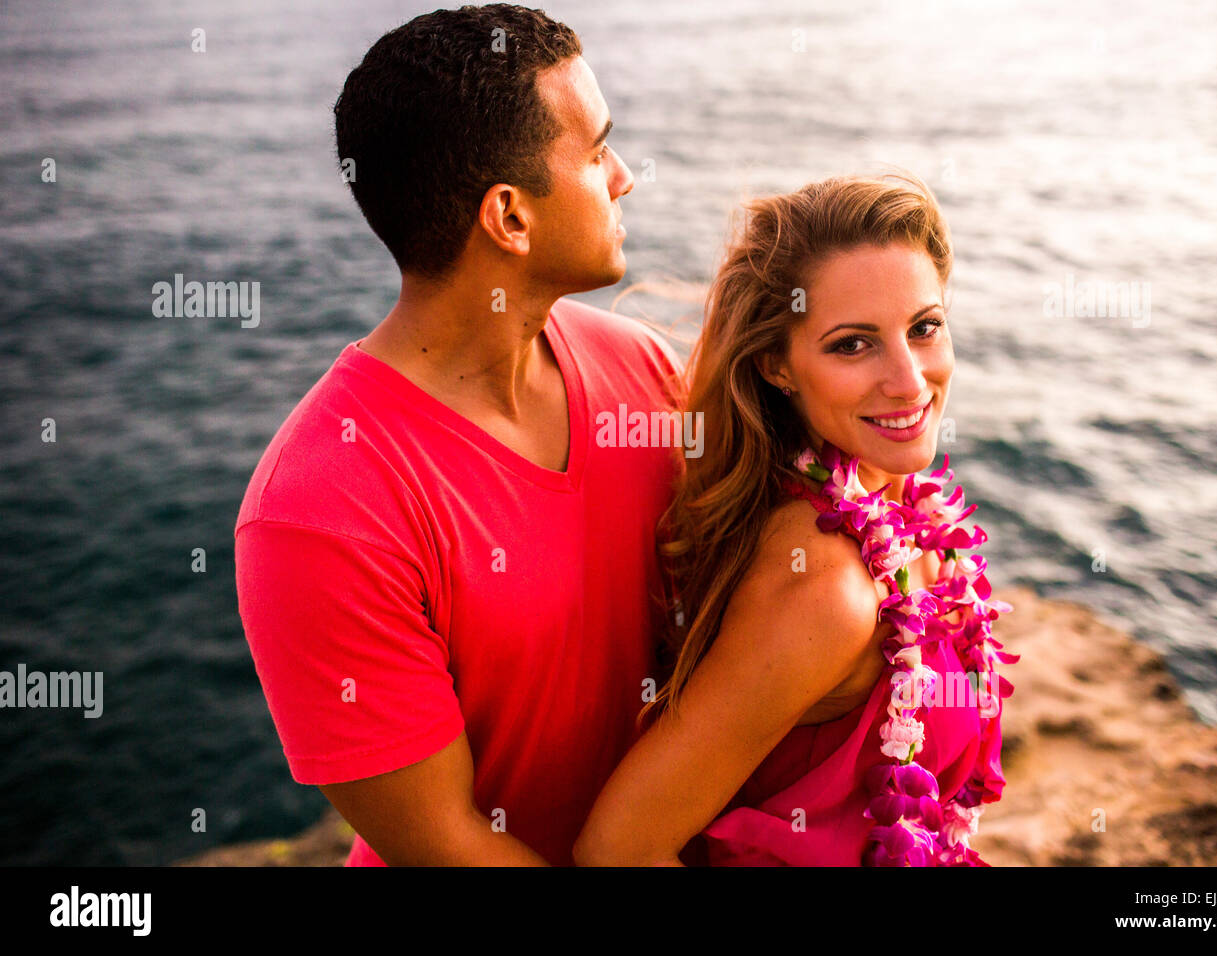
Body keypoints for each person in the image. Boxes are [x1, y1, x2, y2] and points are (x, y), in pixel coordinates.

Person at [233, 6, 878, 867]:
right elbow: (446, 846)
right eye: (596, 151)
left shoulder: (642, 367)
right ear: (509, 217)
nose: (624, 177)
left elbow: (761, 586)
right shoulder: (321, 511)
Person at [573, 171, 1018, 866]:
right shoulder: (827, 591)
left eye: (924, 328)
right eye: (852, 344)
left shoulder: (897, 501)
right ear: (778, 366)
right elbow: (619, 848)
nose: (909, 379)